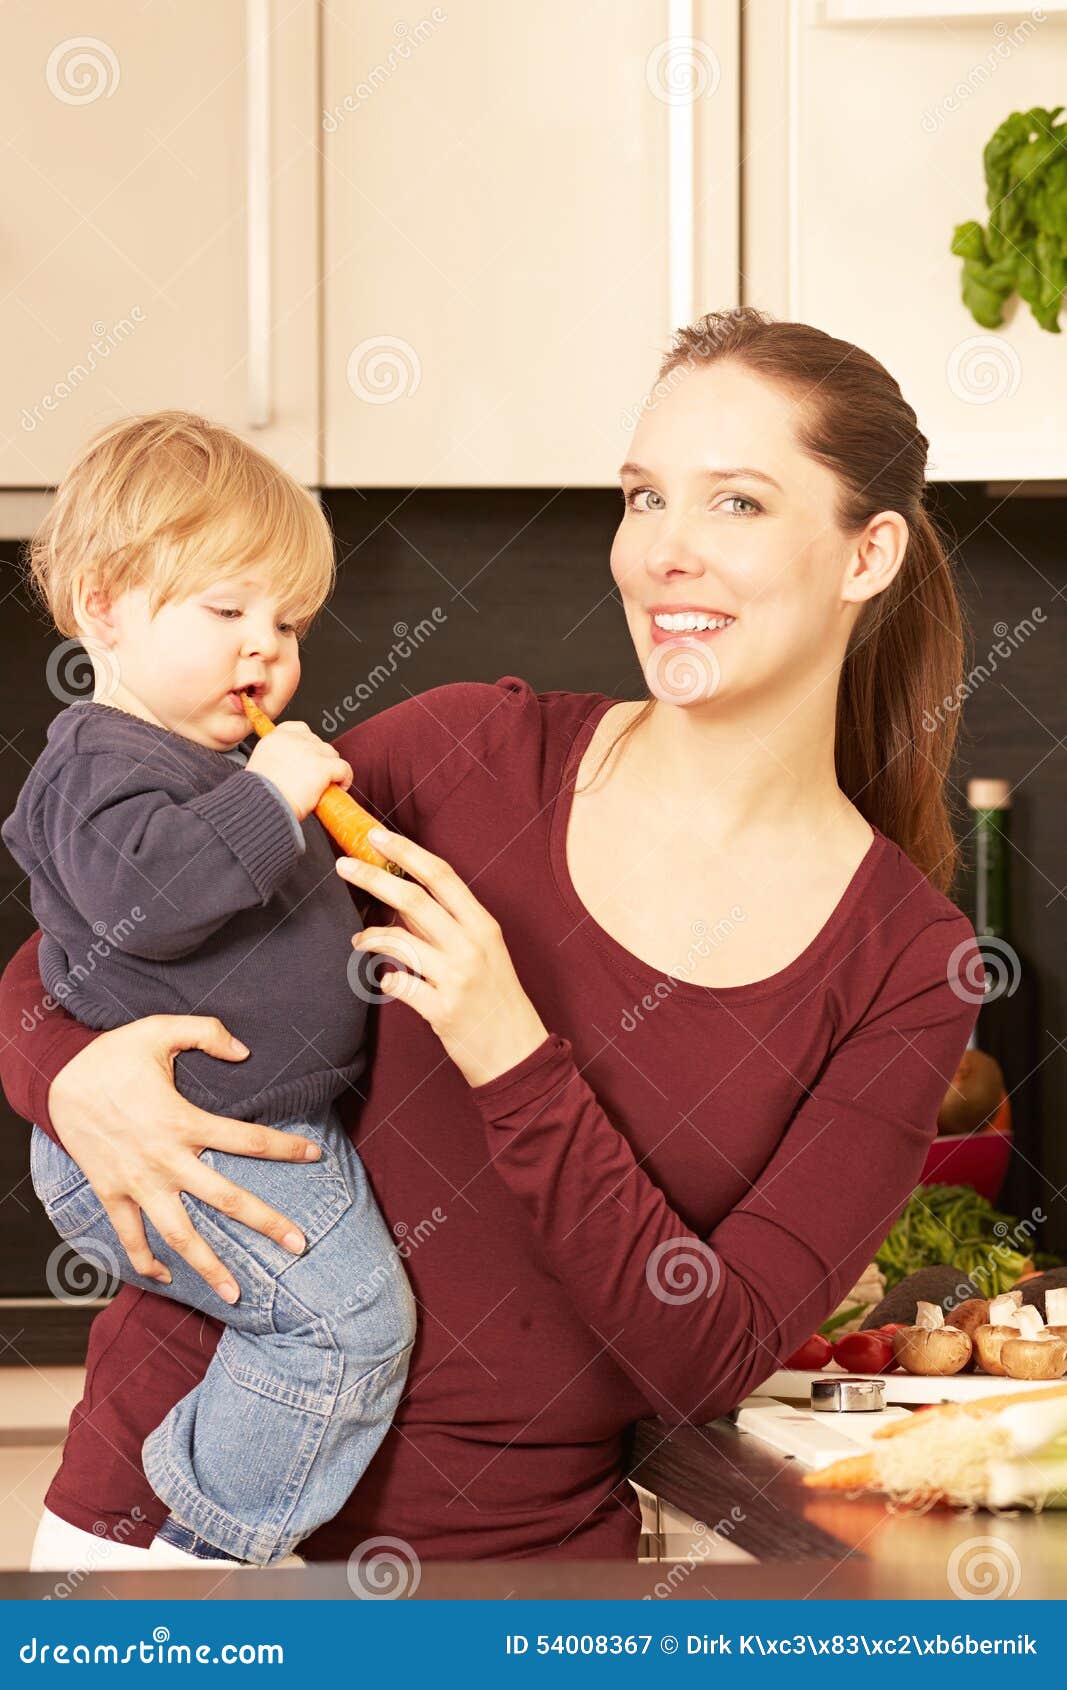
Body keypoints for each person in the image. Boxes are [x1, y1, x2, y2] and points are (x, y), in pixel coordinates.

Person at [1, 310, 979, 1572]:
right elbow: (96, 934)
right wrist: (69, 1075)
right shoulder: (463, 756)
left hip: (510, 1580)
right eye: (641, 498)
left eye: (734, 503)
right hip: (159, 1528)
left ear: (867, 553)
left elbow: (710, 1350)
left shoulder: (904, 963)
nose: (664, 553)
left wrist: (509, 1051)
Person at [0, 413, 415, 1567]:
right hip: (173, 1139)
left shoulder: (208, 768)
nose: (265, 651)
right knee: (343, 1331)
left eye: (283, 623)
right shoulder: (97, 765)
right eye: (225, 611)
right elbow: (160, 896)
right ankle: (203, 1553)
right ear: (105, 608)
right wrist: (273, 796)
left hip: (253, 1131)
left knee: (341, 1326)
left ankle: (205, 1539)